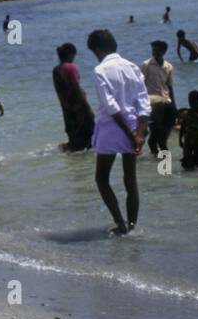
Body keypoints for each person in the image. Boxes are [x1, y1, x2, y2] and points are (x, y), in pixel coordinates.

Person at [87, 29, 149, 236]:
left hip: (113, 127)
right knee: (130, 179)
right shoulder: (132, 67)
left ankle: (120, 224)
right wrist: (138, 133)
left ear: (97, 50)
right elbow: (143, 102)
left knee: (102, 179)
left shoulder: (100, 70)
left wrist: (131, 134)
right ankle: (132, 226)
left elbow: (111, 106)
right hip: (133, 125)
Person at [52, 43, 95, 152]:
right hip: (78, 107)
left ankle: (73, 164)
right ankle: (85, 165)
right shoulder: (70, 68)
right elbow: (76, 88)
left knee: (74, 137)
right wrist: (87, 108)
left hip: (66, 108)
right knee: (89, 137)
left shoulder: (56, 70)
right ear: (71, 55)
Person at [140, 40, 177, 156]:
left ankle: (162, 165)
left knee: (162, 138)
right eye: (153, 50)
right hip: (153, 104)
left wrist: (174, 105)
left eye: (157, 51)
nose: (154, 53)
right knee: (154, 138)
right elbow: (140, 85)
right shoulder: (146, 65)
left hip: (166, 103)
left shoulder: (168, 66)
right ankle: (162, 165)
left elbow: (170, 87)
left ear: (163, 52)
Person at [177, 91, 198, 171]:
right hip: (188, 143)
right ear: (191, 104)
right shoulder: (187, 114)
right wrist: (180, 140)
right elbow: (182, 127)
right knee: (187, 164)